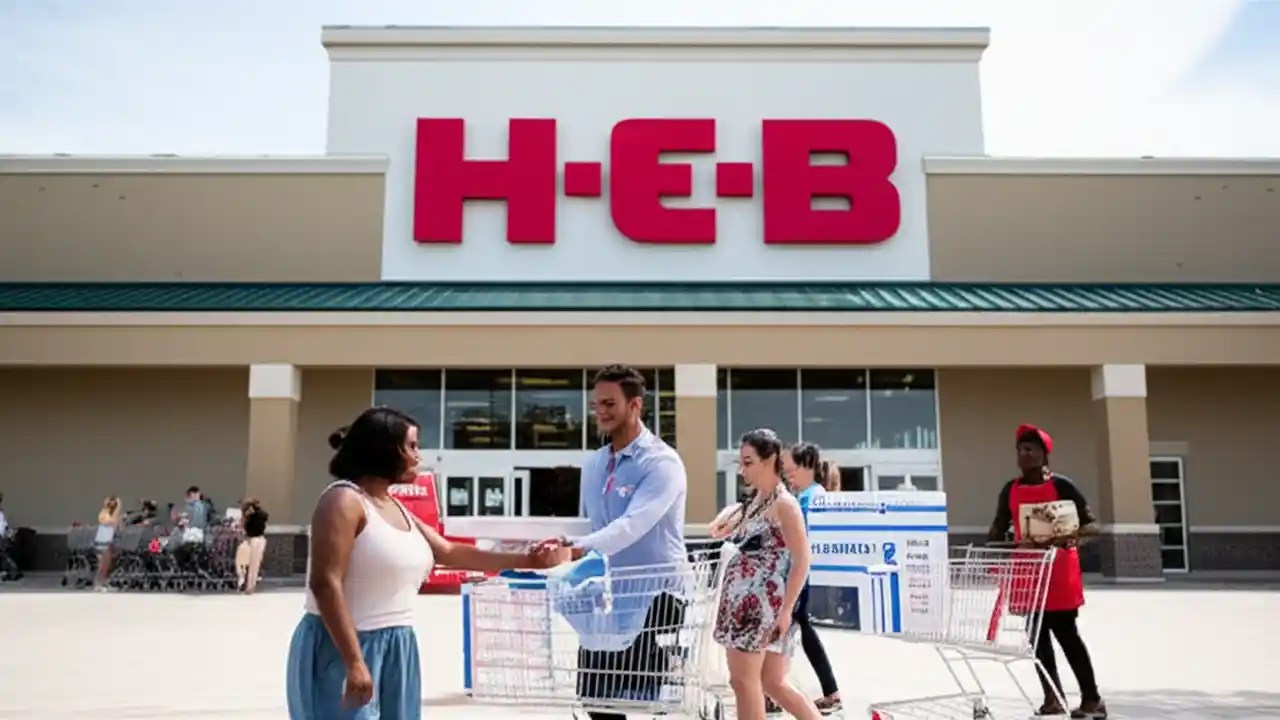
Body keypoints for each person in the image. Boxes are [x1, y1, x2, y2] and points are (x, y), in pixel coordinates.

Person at [286, 406, 566, 720]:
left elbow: (450, 552)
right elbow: (325, 583)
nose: (419, 455)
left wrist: (530, 560)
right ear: (383, 448)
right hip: (343, 645)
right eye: (411, 446)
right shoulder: (343, 501)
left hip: (397, 645)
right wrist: (354, 661)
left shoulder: (392, 504)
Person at [535, 364, 689, 720]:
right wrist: (557, 545)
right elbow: (595, 525)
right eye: (596, 405)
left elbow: (631, 525)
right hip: (611, 596)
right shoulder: (595, 464)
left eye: (609, 404)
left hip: (657, 597)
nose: (600, 412)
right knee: (595, 701)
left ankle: (664, 673)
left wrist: (577, 546)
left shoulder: (661, 464)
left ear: (635, 405)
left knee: (633, 697)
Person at [988, 424, 1107, 719]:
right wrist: (1002, 546)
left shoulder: (1062, 486)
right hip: (1027, 574)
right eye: (1020, 449)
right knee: (1037, 639)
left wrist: (1066, 535)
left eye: (1030, 449)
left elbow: (1092, 525)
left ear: (1044, 455)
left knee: (1067, 636)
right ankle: (1052, 697)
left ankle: (1092, 699)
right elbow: (996, 530)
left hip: (1059, 572)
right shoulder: (1010, 490)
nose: (1024, 454)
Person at [713, 429, 822, 720]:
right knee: (772, 682)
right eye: (741, 463)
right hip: (748, 604)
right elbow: (723, 529)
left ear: (770, 459)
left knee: (743, 682)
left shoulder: (784, 504)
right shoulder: (757, 500)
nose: (742, 470)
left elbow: (802, 559)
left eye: (748, 462)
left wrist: (786, 610)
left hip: (761, 607)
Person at [781, 443, 843, 715]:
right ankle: (828, 691)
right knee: (799, 631)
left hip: (803, 576)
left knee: (792, 629)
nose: (787, 476)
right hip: (802, 575)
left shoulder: (811, 498)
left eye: (791, 470)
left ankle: (774, 689)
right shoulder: (808, 495)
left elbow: (799, 537)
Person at [236, 498, 269, 594]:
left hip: (254, 539)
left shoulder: (255, 516)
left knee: (253, 564)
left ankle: (250, 586)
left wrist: (247, 516)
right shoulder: (257, 515)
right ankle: (249, 585)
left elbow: (246, 527)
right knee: (253, 564)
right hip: (256, 539)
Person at [92, 495, 123, 591]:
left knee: (107, 565)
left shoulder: (116, 517)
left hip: (109, 542)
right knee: (102, 564)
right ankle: (98, 584)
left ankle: (103, 582)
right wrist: (116, 515)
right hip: (101, 542)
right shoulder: (104, 514)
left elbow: (119, 529)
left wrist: (120, 521)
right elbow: (107, 521)